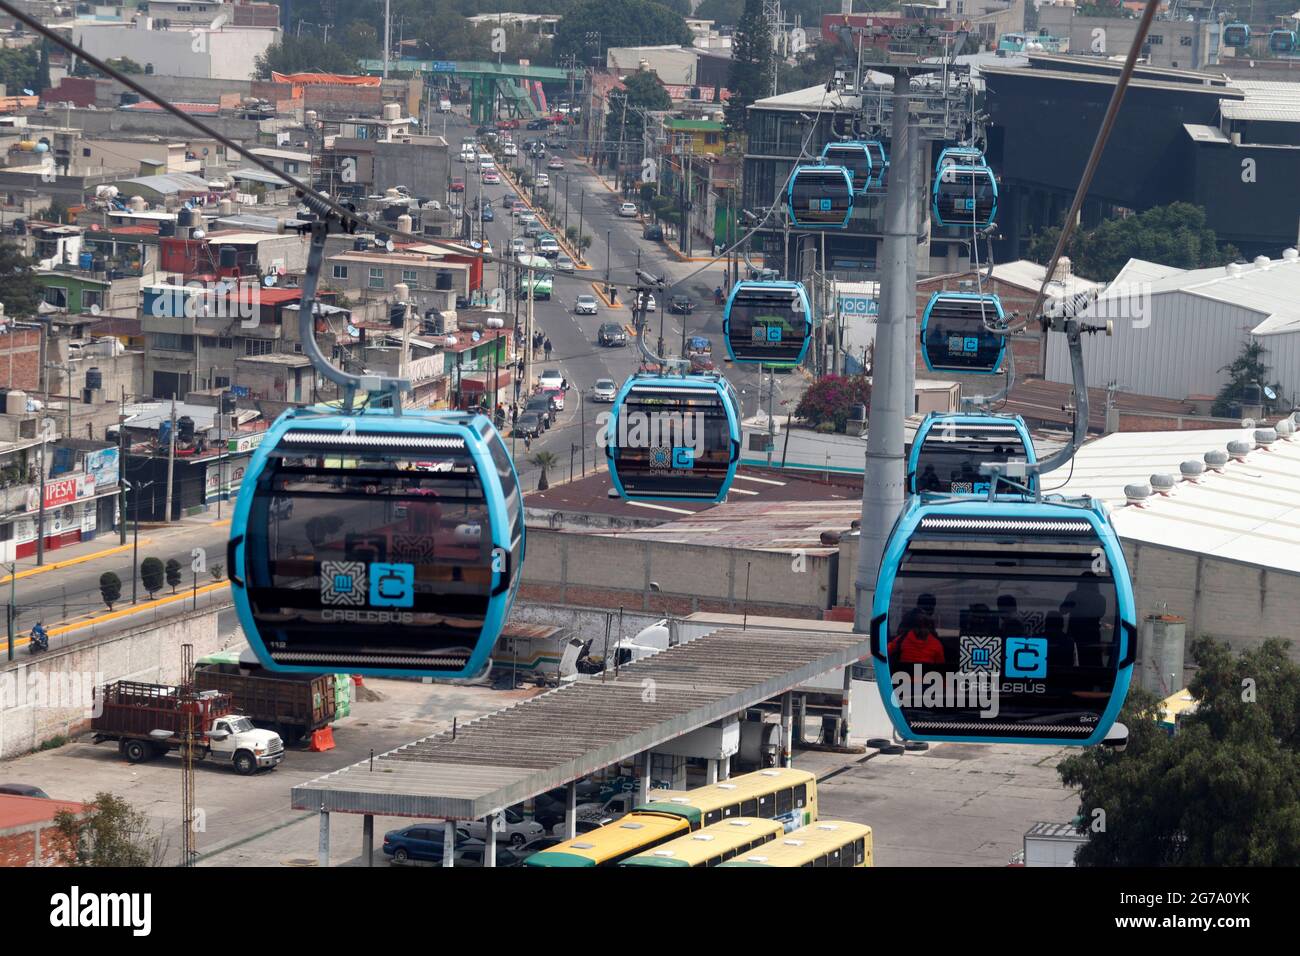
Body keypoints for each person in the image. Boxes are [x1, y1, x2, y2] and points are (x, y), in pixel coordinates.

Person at [889, 594, 944, 665]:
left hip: (904, 669)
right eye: (932, 606)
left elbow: (898, 635)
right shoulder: (925, 620)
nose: (933, 609)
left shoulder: (909, 616)